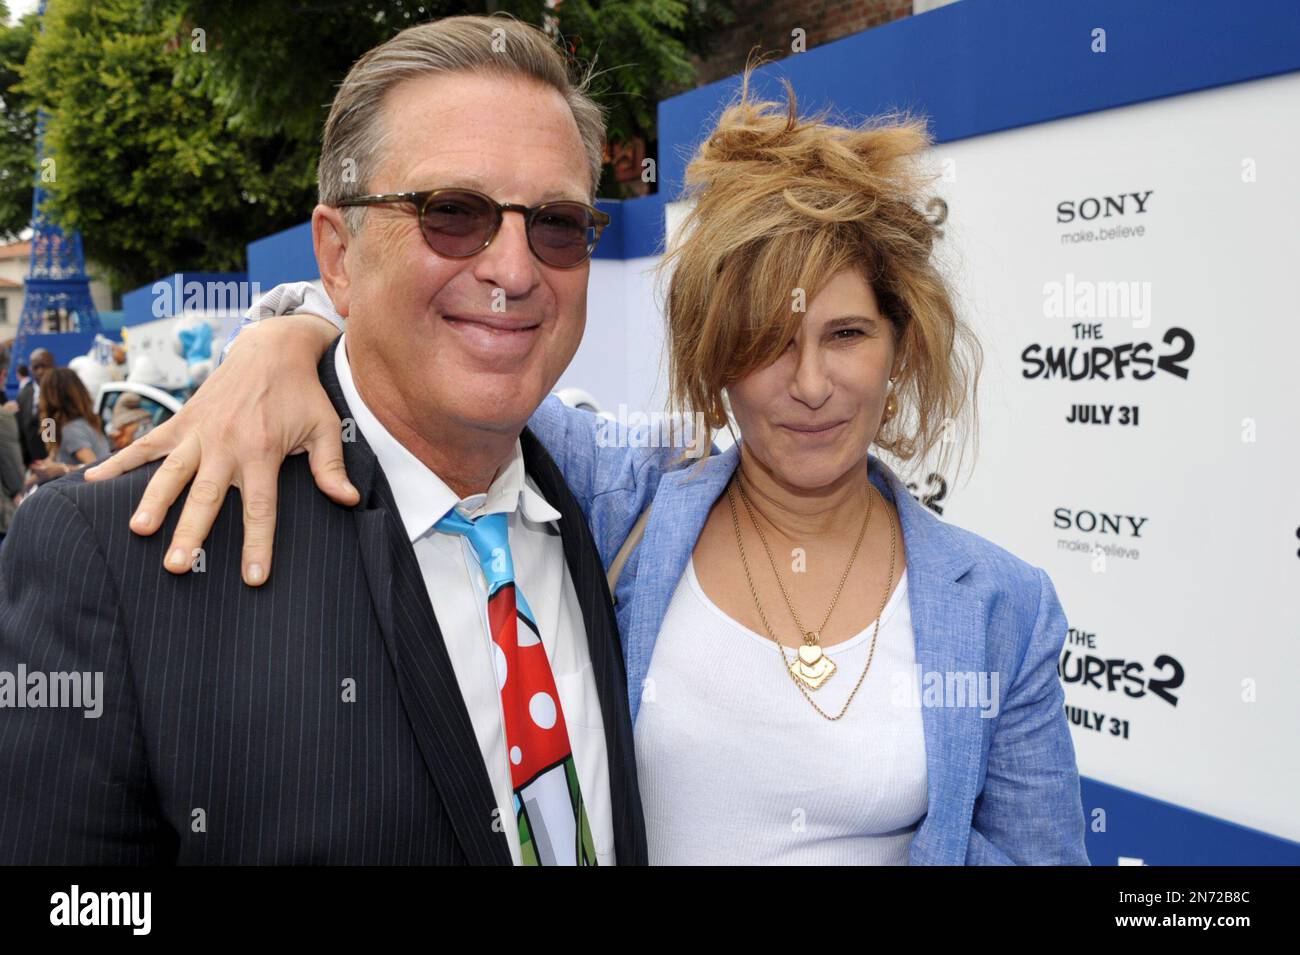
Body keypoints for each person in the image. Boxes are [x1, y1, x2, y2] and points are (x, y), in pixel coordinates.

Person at [86, 65, 1089, 864]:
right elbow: (439, 355)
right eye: (767, 341)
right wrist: (282, 343)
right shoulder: (622, 492)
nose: (811, 383)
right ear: (715, 355)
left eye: (847, 335)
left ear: (899, 345)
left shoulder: (999, 605)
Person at [0, 14, 645, 865]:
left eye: (557, 223)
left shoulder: (614, 513)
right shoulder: (114, 558)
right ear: (337, 257)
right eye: (453, 213)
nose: (515, 271)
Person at [25, 367, 110, 485]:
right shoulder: (70, 423)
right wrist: (29, 481)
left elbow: (95, 468)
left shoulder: (71, 429)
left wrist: (62, 469)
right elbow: (53, 456)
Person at [12, 348, 53, 466]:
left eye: (44, 366)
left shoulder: (60, 395)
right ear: (30, 369)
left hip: (57, 465)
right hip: (33, 465)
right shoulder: (24, 395)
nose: (40, 371)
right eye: (36, 367)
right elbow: (21, 433)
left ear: (53, 366)